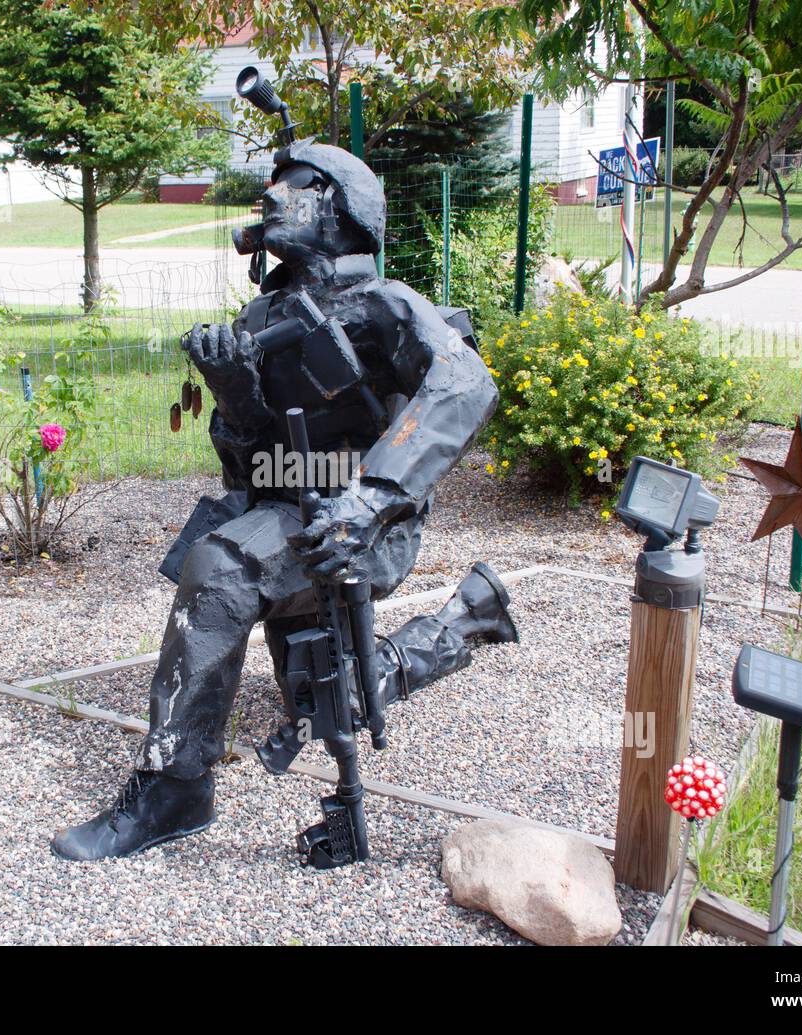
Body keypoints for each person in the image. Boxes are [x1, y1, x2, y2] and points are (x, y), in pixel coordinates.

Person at [53, 139, 516, 861]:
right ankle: (466, 620)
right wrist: (235, 394)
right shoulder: (263, 315)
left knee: (221, 570)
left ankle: (176, 786)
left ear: (342, 207)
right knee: (315, 703)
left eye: (294, 183)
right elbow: (247, 464)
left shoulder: (385, 305)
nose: (270, 194)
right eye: (271, 182)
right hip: (286, 514)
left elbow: (466, 384)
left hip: (361, 527)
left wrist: (370, 498)